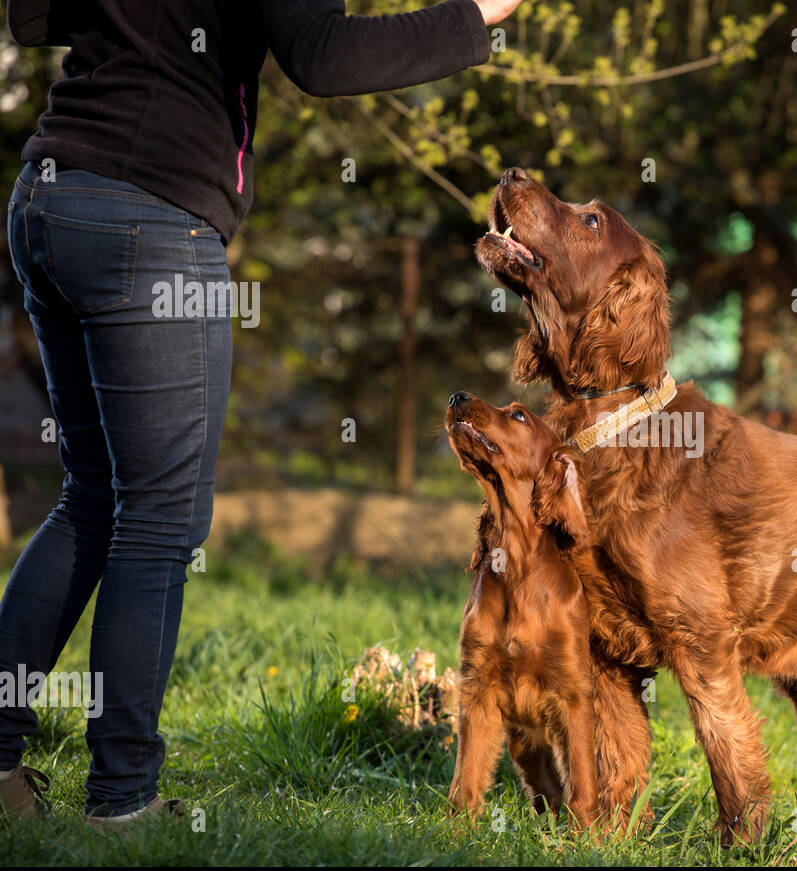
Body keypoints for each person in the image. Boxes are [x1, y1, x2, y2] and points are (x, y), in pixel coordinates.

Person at [0, 0, 522, 828]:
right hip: (149, 216)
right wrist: (480, 11)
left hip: (52, 197)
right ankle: (122, 804)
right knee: (160, 520)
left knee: (94, 498)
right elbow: (324, 54)